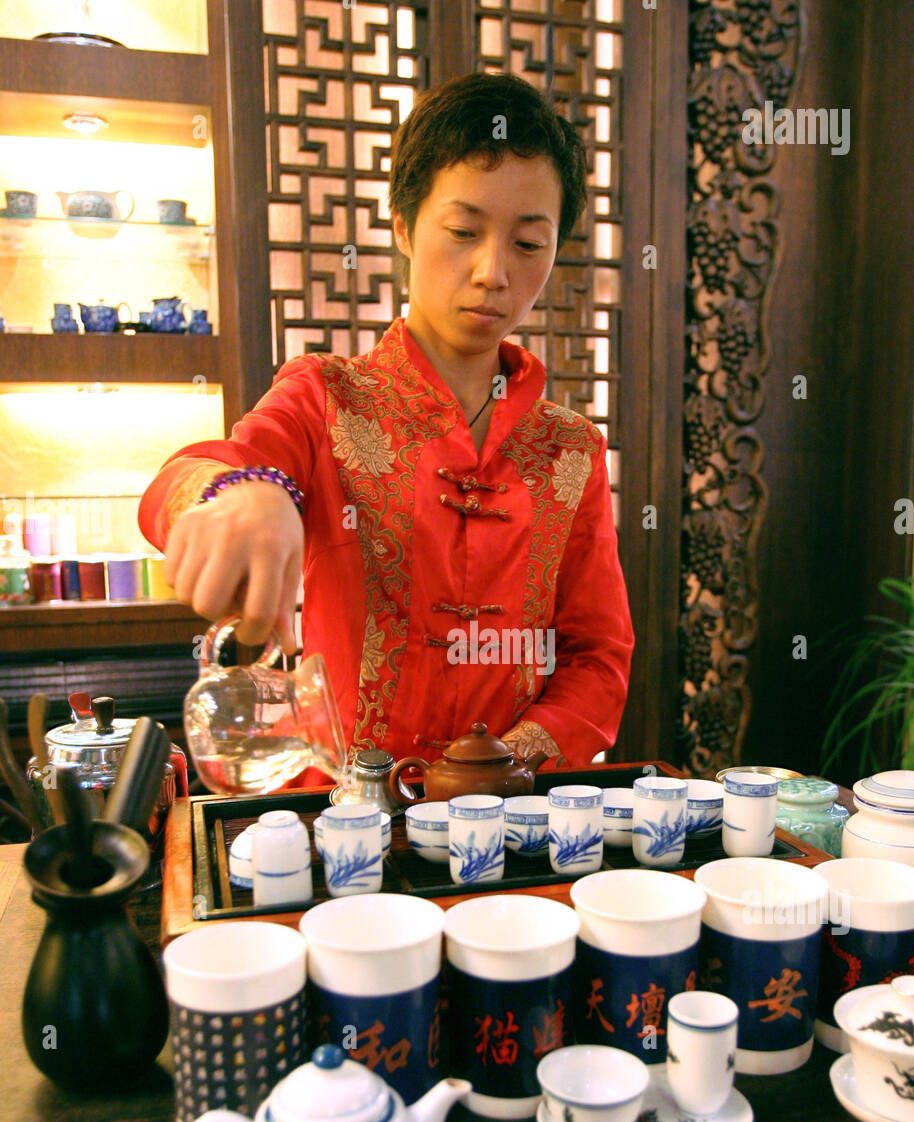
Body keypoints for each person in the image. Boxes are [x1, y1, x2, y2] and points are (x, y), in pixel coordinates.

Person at [139, 72, 634, 772]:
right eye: (463, 231)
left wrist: (499, 765)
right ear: (403, 226)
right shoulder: (326, 401)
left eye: (528, 244)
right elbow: (187, 477)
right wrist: (245, 492)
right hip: (342, 818)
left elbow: (598, 657)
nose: (493, 271)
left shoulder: (571, 452)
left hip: (509, 818)